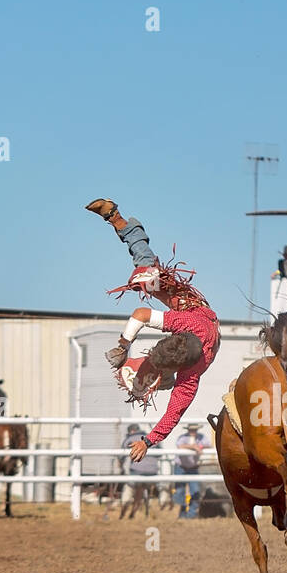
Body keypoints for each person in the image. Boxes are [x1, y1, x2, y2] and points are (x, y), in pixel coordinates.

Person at [85, 197, 222, 462]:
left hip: (205, 328)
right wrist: (123, 346)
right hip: (195, 310)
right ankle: (118, 220)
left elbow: (174, 412)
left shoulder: (189, 376)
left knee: (147, 275)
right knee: (148, 276)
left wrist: (149, 441)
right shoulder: (187, 322)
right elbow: (141, 314)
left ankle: (121, 222)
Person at [120, 423, 162, 519]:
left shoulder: (129, 439)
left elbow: (121, 455)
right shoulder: (152, 438)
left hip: (136, 470)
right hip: (152, 471)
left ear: (131, 431)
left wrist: (121, 466)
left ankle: (122, 514)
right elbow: (160, 454)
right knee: (140, 492)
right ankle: (132, 514)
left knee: (129, 490)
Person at [173, 422, 207, 519]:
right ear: (188, 430)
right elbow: (179, 446)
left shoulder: (201, 437)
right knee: (180, 491)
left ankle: (191, 515)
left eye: (194, 430)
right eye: (191, 430)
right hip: (181, 466)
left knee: (195, 491)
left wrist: (199, 447)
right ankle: (182, 514)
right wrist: (193, 447)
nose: (193, 431)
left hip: (193, 467)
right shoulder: (183, 437)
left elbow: (208, 445)